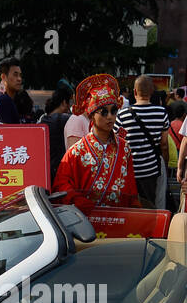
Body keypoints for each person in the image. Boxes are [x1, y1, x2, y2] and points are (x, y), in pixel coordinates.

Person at [52, 73, 138, 211]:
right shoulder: (76, 151)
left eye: (113, 111)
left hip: (119, 220)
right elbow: (61, 185)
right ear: (92, 115)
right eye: (104, 112)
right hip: (87, 223)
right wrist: (78, 201)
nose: (110, 117)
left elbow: (131, 188)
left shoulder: (124, 147)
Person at [115, 75, 170, 209]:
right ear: (152, 91)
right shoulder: (161, 113)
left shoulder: (123, 115)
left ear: (134, 92)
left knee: (129, 206)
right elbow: (164, 144)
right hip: (151, 170)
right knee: (149, 205)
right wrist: (165, 164)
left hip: (129, 171)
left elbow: (118, 143)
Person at [38, 85, 73, 185]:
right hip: (59, 172)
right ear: (63, 103)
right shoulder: (64, 119)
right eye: (69, 103)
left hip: (45, 171)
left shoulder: (42, 120)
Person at [0, 58, 22, 124]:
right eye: (15, 75)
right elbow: (7, 132)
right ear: (3, 77)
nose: (19, 79)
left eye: (20, 75)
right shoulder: (3, 100)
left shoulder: (12, 99)